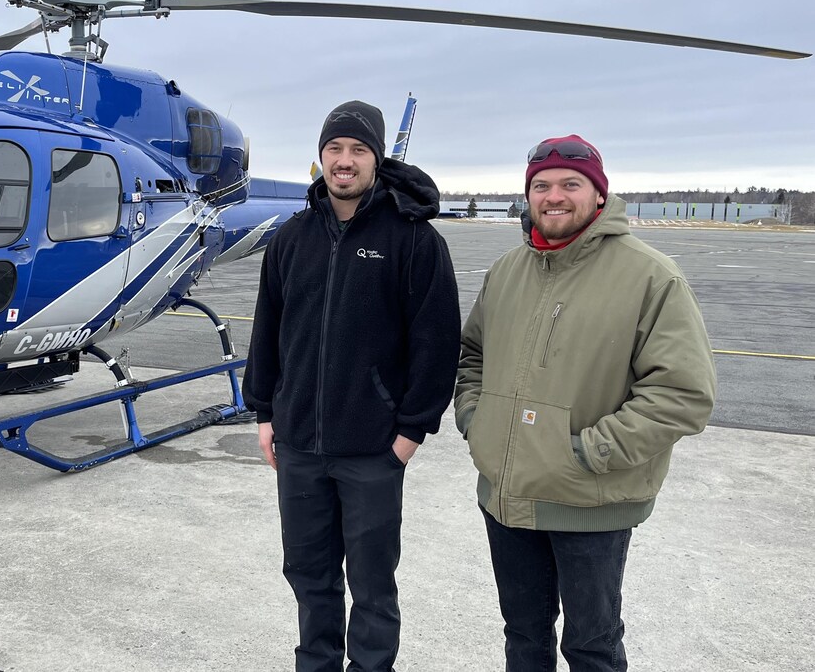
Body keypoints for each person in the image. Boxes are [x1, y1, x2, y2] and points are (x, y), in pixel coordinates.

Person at [455, 134, 717, 671]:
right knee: (523, 637)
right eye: (542, 185)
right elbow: (472, 357)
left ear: (599, 195)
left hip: (589, 501)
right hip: (508, 495)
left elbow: (682, 394)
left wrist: (587, 452)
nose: (555, 196)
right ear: (528, 196)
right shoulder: (507, 271)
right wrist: (476, 421)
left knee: (591, 646)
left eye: (571, 184)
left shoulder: (650, 276)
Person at [243, 100, 461, 671]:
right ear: (320, 158)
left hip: (372, 450)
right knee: (309, 577)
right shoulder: (292, 237)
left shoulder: (413, 239)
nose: (345, 161)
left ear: (376, 159)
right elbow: (268, 328)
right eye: (335, 149)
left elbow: (437, 342)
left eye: (358, 150)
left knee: (371, 586)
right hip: (298, 447)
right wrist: (265, 414)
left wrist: (409, 432)